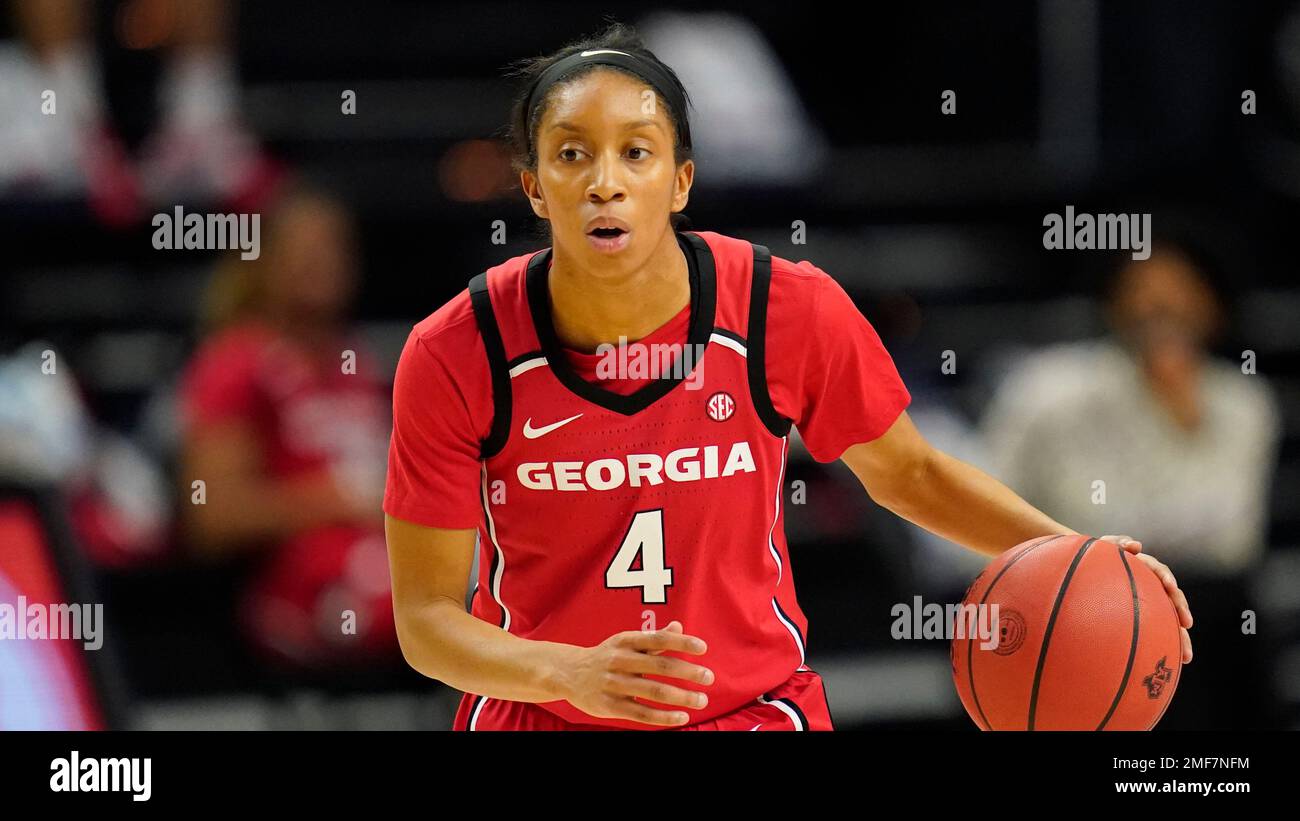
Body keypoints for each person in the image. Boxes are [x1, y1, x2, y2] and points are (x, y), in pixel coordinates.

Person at [383, 22, 1194, 731]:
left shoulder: (783, 307)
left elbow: (910, 473)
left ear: (681, 181)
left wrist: (1079, 555)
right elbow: (425, 623)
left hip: (751, 712)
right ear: (531, 186)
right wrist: (568, 671)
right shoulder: (458, 350)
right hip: (543, 713)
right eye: (570, 154)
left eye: (636, 151)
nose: (605, 180)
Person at [178, 183, 395, 671]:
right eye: (302, 249)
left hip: (375, 551)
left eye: (331, 247)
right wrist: (333, 500)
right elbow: (212, 517)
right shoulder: (235, 362)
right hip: (291, 586)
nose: (319, 263)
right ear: (264, 261)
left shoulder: (354, 357)